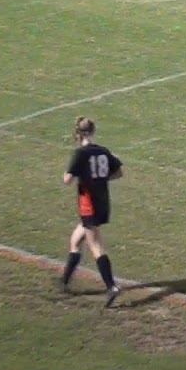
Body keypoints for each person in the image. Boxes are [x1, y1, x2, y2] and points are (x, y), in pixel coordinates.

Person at [61, 117, 124, 307]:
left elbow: (67, 180)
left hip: (88, 203)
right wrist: (101, 179)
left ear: (78, 134)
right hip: (103, 202)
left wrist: (84, 178)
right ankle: (64, 281)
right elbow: (119, 172)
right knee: (75, 240)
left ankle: (111, 286)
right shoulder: (103, 151)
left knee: (95, 245)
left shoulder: (81, 154)